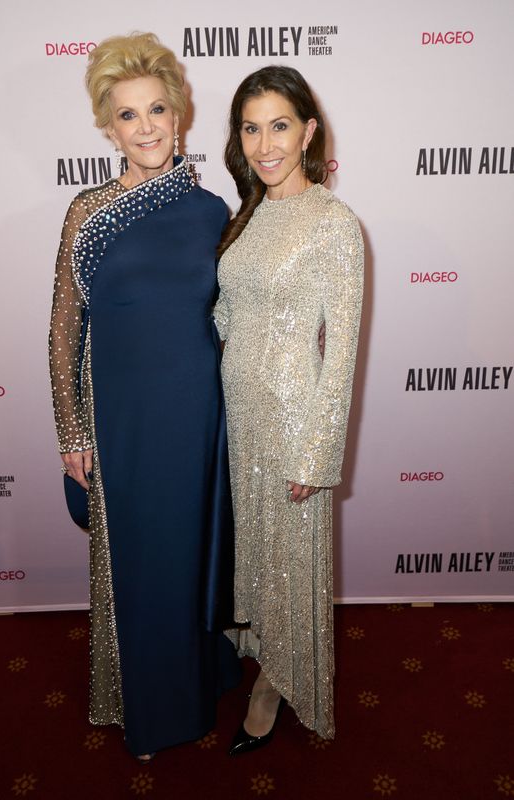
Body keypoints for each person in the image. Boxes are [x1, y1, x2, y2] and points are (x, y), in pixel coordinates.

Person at [49, 32, 240, 761]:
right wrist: (71, 431)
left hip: (195, 422)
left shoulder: (210, 211)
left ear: (180, 113)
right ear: (107, 128)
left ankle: (195, 681)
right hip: (120, 423)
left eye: (158, 108)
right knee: (139, 564)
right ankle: (146, 707)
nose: (148, 127)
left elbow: (235, 317)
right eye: (129, 116)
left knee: (187, 561)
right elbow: (64, 326)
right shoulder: (87, 213)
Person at [214, 65, 364, 754]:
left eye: (278, 125)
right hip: (233, 415)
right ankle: (256, 647)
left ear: (308, 130)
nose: (264, 143)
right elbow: (224, 316)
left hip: (291, 419)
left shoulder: (334, 225)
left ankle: (275, 683)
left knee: (287, 559)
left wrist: (316, 451)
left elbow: (341, 356)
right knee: (251, 551)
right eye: (250, 127)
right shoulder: (247, 212)